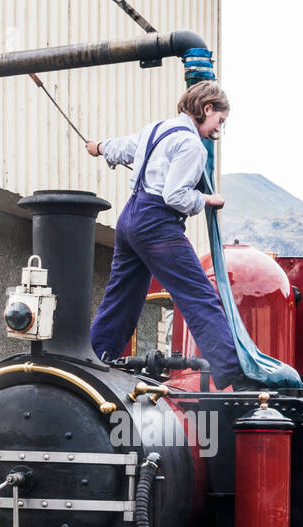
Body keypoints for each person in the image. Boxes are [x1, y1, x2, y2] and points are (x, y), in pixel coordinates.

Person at [86, 81, 257, 391]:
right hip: (157, 225)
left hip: (130, 219)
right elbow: (175, 195)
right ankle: (236, 375)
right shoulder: (191, 145)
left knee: (121, 297)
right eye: (220, 121)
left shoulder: (156, 129)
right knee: (199, 296)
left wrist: (99, 147)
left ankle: (93, 361)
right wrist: (207, 199)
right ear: (207, 109)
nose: (217, 130)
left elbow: (122, 147)